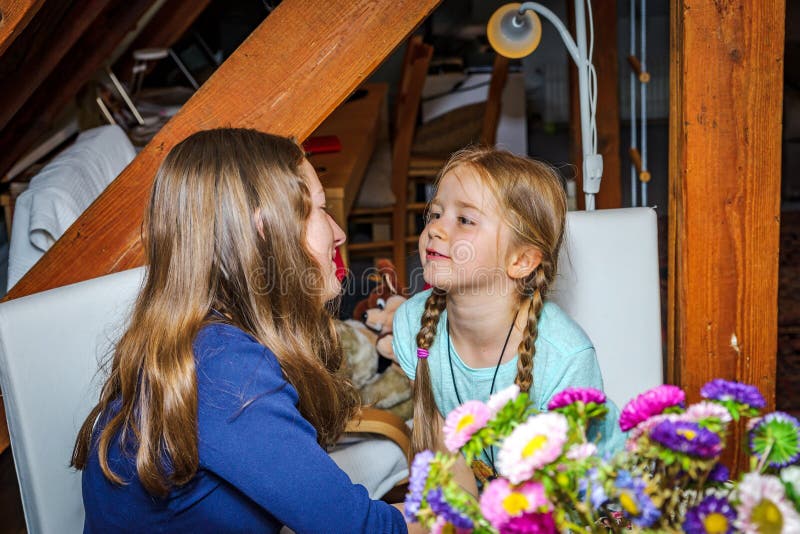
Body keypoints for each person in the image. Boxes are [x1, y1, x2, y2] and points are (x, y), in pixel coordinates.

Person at [72, 129, 408, 532]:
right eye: (319, 210)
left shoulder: (200, 340)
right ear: (265, 228)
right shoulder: (229, 372)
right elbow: (362, 529)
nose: (338, 232)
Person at [393, 146, 625, 489]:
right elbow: (448, 457)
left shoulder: (565, 359)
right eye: (436, 213)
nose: (437, 229)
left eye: (465, 220)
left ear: (521, 261)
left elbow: (562, 493)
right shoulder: (413, 324)